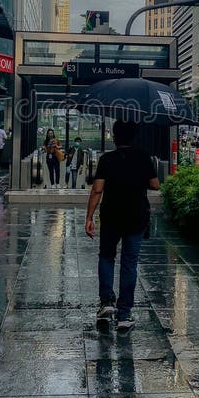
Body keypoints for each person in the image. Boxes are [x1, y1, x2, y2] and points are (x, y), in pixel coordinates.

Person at [85, 120, 160, 333]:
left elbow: (97, 190)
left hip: (111, 216)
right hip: (136, 217)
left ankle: (107, 302)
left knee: (106, 256)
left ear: (114, 137)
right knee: (130, 263)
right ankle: (124, 314)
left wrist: (89, 217)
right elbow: (155, 184)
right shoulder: (143, 158)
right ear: (134, 137)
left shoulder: (107, 159)